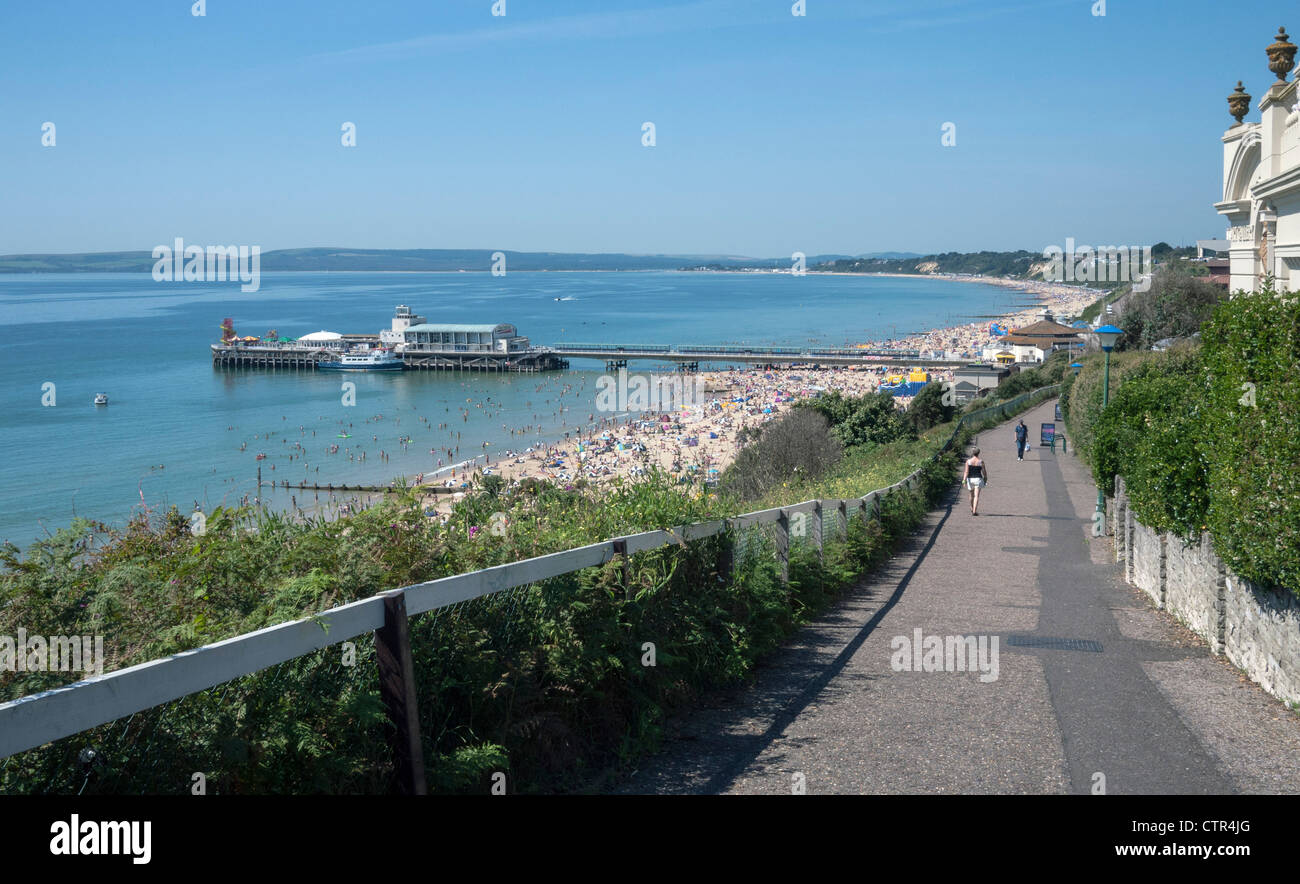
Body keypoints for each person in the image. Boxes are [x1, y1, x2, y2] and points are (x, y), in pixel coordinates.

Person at [962, 447, 988, 515]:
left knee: (971, 495)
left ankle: (971, 507)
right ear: (978, 453)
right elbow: (984, 472)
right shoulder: (981, 461)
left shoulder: (968, 461)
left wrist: (964, 480)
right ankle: (974, 511)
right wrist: (985, 479)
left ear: (972, 453)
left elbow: (966, 472)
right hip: (978, 479)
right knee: (976, 496)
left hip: (970, 479)